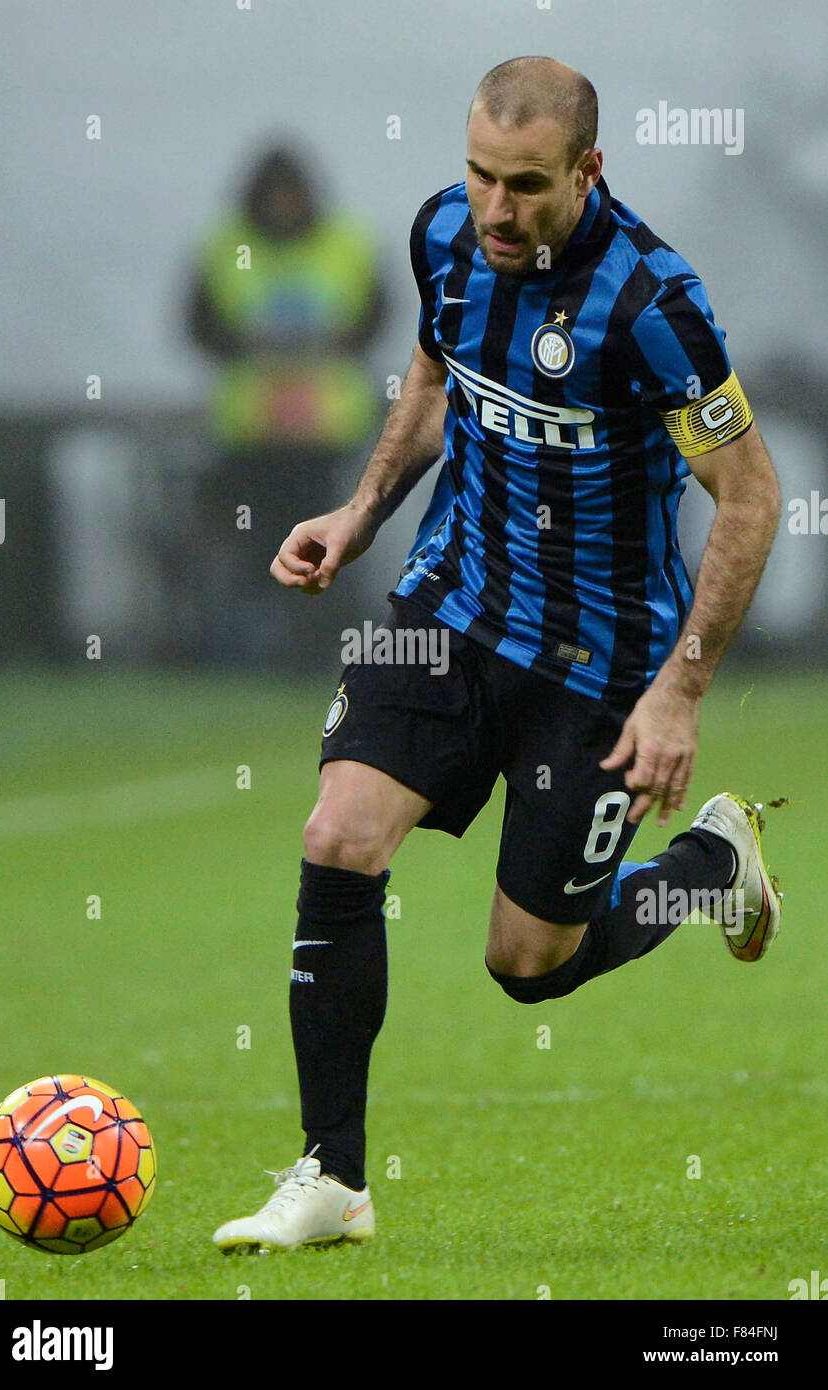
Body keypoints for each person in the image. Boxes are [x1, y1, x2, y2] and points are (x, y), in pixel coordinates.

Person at [213, 57, 783, 1253]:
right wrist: (359, 515)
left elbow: (747, 499)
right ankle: (331, 1178)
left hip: (595, 665)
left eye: (524, 185)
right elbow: (430, 376)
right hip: (448, 608)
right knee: (336, 837)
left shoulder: (649, 303)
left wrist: (678, 694)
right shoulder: (443, 235)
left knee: (528, 965)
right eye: (478, 173)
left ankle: (706, 865)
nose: (493, 208)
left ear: (587, 170)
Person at [186, 141, 387, 665]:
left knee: (330, 546)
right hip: (253, 434)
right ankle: (261, 653)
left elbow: (377, 319)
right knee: (256, 546)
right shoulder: (222, 246)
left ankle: (318, 648)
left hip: (325, 435)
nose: (282, 207)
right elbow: (198, 325)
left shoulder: (348, 243)